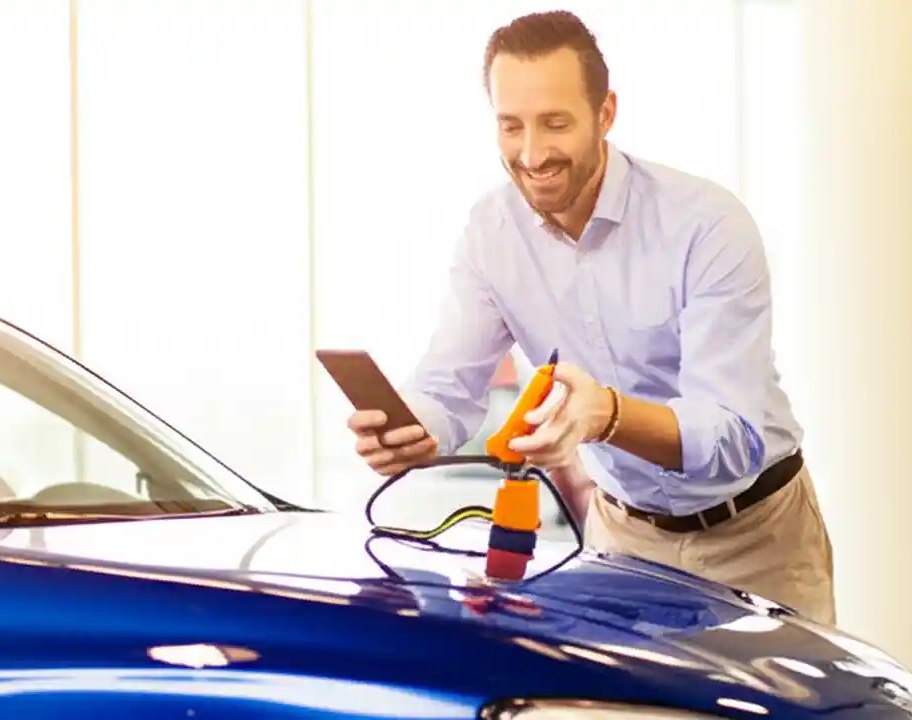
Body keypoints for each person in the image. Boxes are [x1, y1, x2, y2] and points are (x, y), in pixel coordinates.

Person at [346, 9, 836, 626]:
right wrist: (412, 429)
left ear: (606, 114)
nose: (531, 153)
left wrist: (605, 414)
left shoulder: (707, 224)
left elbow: (731, 440)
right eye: (510, 126)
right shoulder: (490, 234)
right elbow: (449, 390)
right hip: (622, 539)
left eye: (555, 123)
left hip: (756, 537)